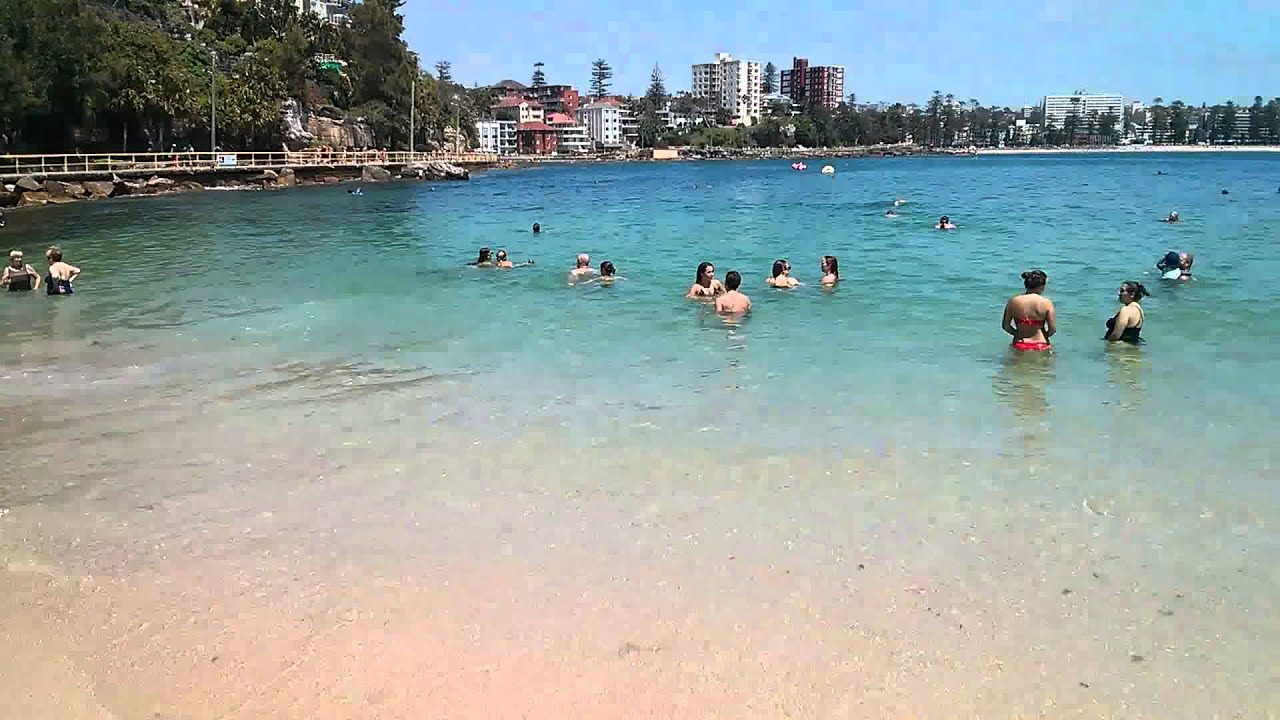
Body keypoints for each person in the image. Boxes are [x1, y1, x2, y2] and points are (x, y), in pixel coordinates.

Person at [1001, 269, 1056, 352]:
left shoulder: (1013, 301)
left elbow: (1006, 326)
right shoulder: (1046, 303)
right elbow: (1052, 329)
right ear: (1042, 286)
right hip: (1041, 344)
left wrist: (1017, 334)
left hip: (1020, 343)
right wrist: (1045, 336)